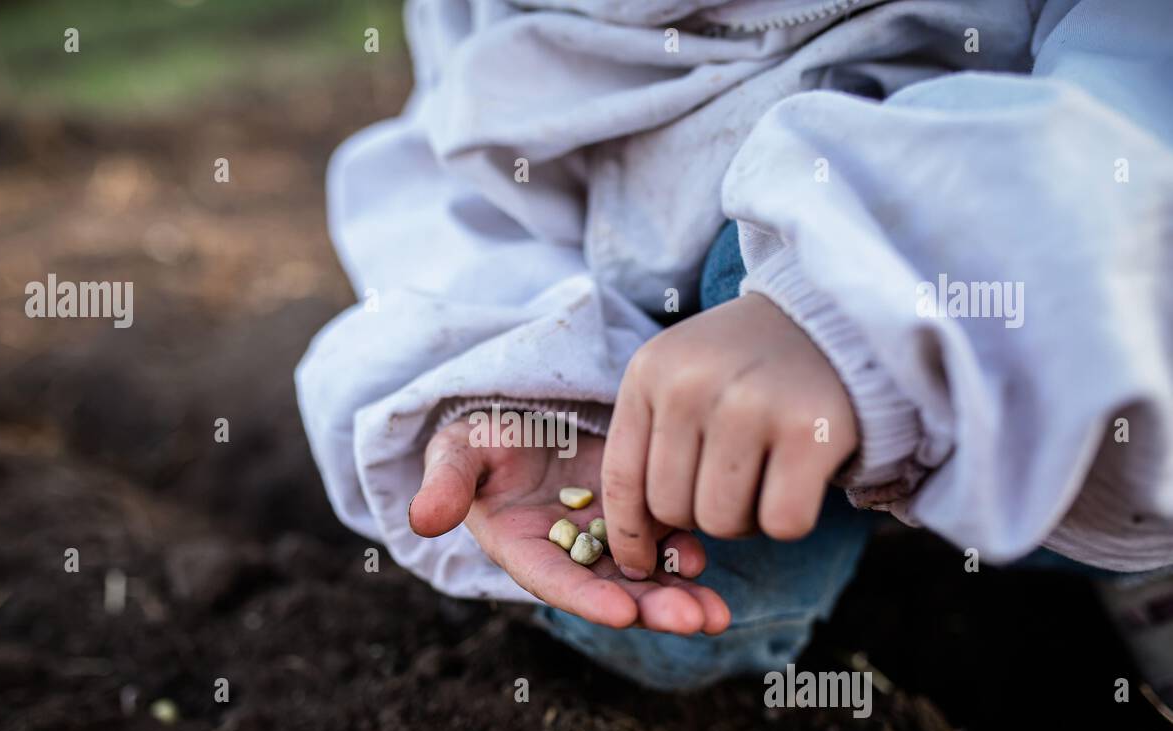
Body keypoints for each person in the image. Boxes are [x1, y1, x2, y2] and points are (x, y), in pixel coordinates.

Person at [296, 0, 1173, 694]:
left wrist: (839, 317)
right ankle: (867, 545)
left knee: (739, 272)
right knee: (663, 611)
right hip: (676, 357)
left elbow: (1139, 106)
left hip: (1018, 282)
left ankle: (1120, 533)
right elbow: (460, 187)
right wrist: (521, 379)